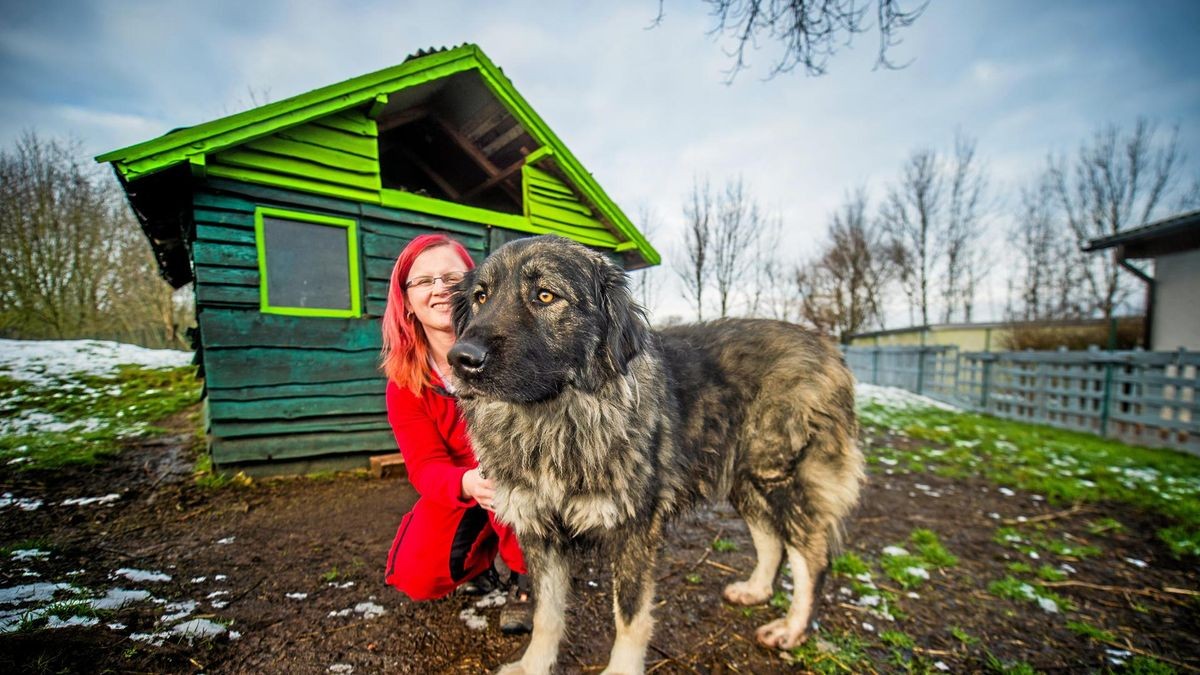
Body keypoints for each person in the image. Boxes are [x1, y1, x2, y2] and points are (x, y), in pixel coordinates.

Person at [380, 233, 532, 633]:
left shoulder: (514, 349)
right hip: (463, 483)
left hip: (521, 478)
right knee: (417, 574)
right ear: (407, 301)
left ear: (477, 289)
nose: (439, 289)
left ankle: (527, 580)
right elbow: (424, 466)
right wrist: (466, 482)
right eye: (423, 281)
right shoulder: (405, 383)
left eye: (452, 278)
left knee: (514, 493)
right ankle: (479, 559)